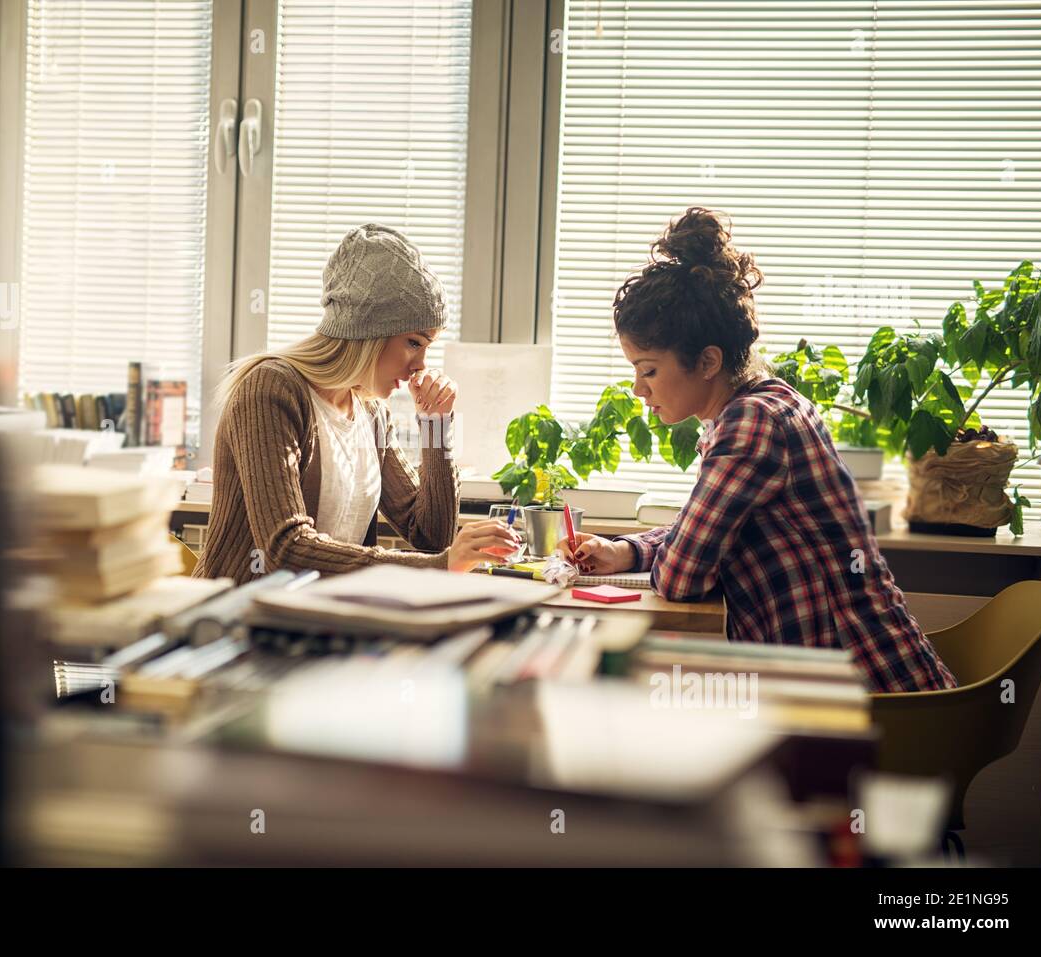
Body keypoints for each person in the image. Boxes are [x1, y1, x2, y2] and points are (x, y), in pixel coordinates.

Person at [556, 207, 955, 693]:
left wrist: (658, 554)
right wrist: (625, 551)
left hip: (870, 699)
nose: (639, 389)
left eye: (649, 370)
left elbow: (682, 575)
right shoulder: (767, 404)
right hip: (843, 682)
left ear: (707, 361)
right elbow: (701, 533)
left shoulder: (752, 424)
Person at [194, 223, 519, 585]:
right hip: (241, 622)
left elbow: (430, 537)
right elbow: (285, 547)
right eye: (414, 342)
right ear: (367, 331)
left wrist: (436, 428)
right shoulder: (271, 389)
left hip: (326, 622)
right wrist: (435, 566)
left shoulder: (370, 411)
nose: (421, 364)